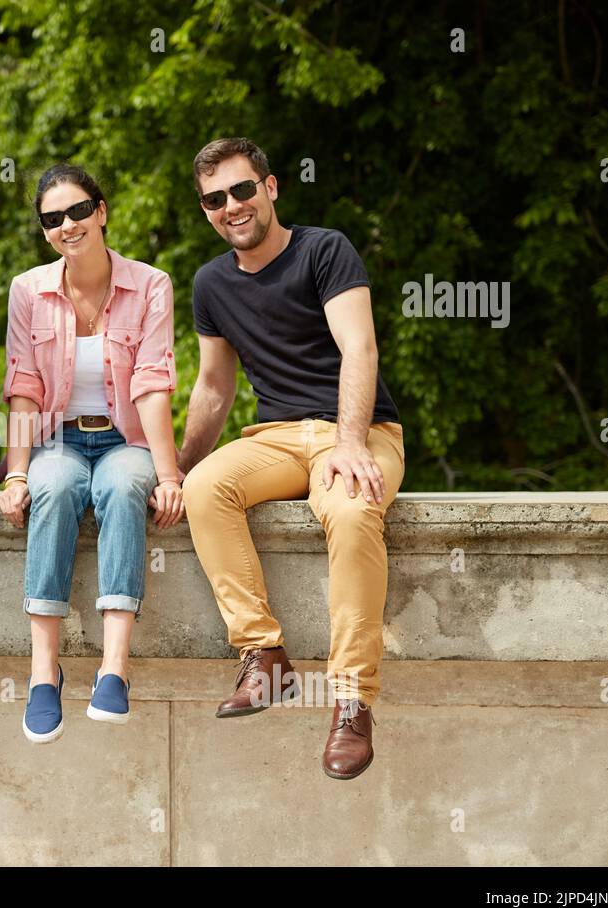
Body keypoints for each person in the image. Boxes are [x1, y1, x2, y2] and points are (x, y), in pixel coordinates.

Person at [178, 137, 406, 780]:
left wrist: (352, 441)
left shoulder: (324, 250)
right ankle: (264, 658)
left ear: (270, 188)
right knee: (205, 489)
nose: (232, 206)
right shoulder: (211, 283)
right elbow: (215, 387)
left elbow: (358, 348)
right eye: (215, 199)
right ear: (207, 210)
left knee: (356, 513)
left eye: (242, 190)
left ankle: (352, 701)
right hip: (275, 437)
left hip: (361, 431)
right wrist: (178, 466)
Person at [0, 164, 183, 744]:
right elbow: (23, 384)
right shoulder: (28, 290)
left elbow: (152, 383)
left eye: (78, 210)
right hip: (58, 440)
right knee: (51, 490)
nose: (67, 225)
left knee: (126, 487)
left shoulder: (151, 285)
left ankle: (113, 669)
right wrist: (17, 472)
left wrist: (169, 471)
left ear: (101, 211)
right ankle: (42, 674)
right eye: (52, 219)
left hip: (123, 439)